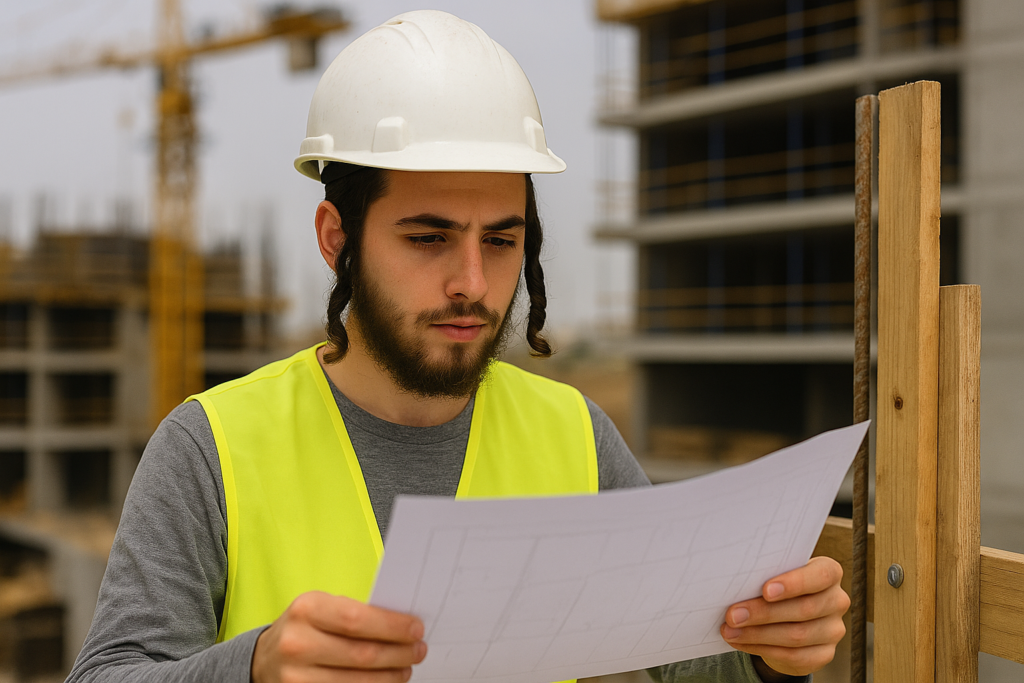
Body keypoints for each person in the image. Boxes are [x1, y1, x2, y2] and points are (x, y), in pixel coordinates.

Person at [67, 11, 848, 683]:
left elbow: (699, 668)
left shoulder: (576, 436)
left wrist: (772, 650)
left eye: (501, 241)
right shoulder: (211, 450)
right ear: (338, 239)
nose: (472, 282)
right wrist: (255, 666)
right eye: (429, 237)